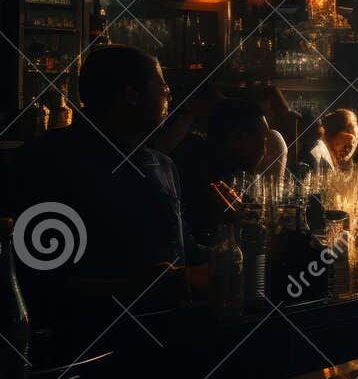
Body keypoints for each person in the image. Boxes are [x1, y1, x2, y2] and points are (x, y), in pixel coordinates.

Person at [7, 46, 188, 359]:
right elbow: (35, 280)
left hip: (167, 338)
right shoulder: (48, 161)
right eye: (163, 88)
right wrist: (131, 287)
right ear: (131, 95)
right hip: (83, 354)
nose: (169, 97)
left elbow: (183, 248)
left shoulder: (162, 165)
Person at [173, 98, 269, 247]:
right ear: (237, 137)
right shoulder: (201, 178)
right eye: (262, 139)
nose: (265, 149)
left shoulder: (227, 174)